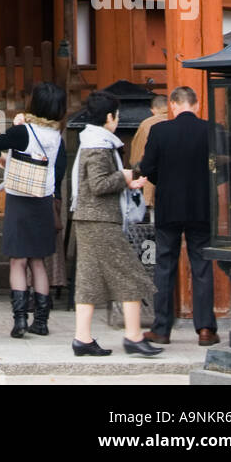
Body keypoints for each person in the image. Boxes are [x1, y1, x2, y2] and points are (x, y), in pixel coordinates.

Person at [70, 89, 161, 358]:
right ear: (109, 117)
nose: (118, 120)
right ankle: (133, 336)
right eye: (116, 115)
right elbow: (98, 185)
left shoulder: (91, 140)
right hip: (101, 220)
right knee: (130, 274)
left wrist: (127, 181)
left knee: (88, 279)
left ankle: (82, 338)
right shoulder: (99, 145)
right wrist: (124, 176)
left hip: (89, 218)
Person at [137, 85, 219, 347]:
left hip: (169, 206)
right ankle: (205, 329)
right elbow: (225, 164)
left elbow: (147, 168)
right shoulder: (210, 130)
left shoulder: (160, 130)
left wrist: (164, 182)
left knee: (164, 265)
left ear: (172, 105)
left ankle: (161, 328)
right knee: (202, 267)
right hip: (201, 207)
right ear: (196, 106)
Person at [0, 81, 67, 338]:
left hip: (19, 199)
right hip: (43, 200)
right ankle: (42, 322)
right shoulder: (58, 137)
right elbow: (59, 170)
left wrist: (6, 158)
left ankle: (20, 320)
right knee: (38, 261)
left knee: (17, 261)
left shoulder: (23, 132)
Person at [129, 95, 168, 209]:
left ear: (153, 110)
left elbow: (137, 157)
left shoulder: (147, 124)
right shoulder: (176, 120)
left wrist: (136, 167)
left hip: (153, 178)